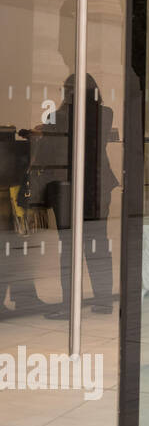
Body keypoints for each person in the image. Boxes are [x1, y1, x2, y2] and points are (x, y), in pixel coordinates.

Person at [23, 75, 119, 319]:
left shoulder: (63, 114)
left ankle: (70, 305)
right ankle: (103, 300)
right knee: (96, 243)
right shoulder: (104, 112)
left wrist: (42, 132)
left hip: (71, 186)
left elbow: (56, 144)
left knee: (70, 245)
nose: (64, 93)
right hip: (97, 185)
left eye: (67, 89)